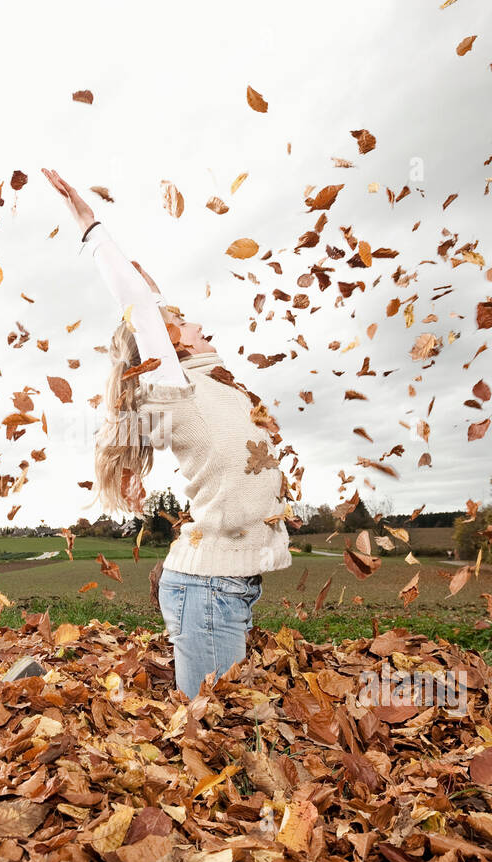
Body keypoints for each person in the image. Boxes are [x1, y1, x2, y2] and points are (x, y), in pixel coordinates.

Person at [42, 168, 292, 699]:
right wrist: (92, 229)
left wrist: (155, 295)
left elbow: (151, 297)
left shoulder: (212, 384)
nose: (204, 327)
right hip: (210, 592)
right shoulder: (175, 389)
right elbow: (139, 301)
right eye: (188, 325)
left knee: (220, 727)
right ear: (169, 347)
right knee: (211, 731)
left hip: (229, 588)